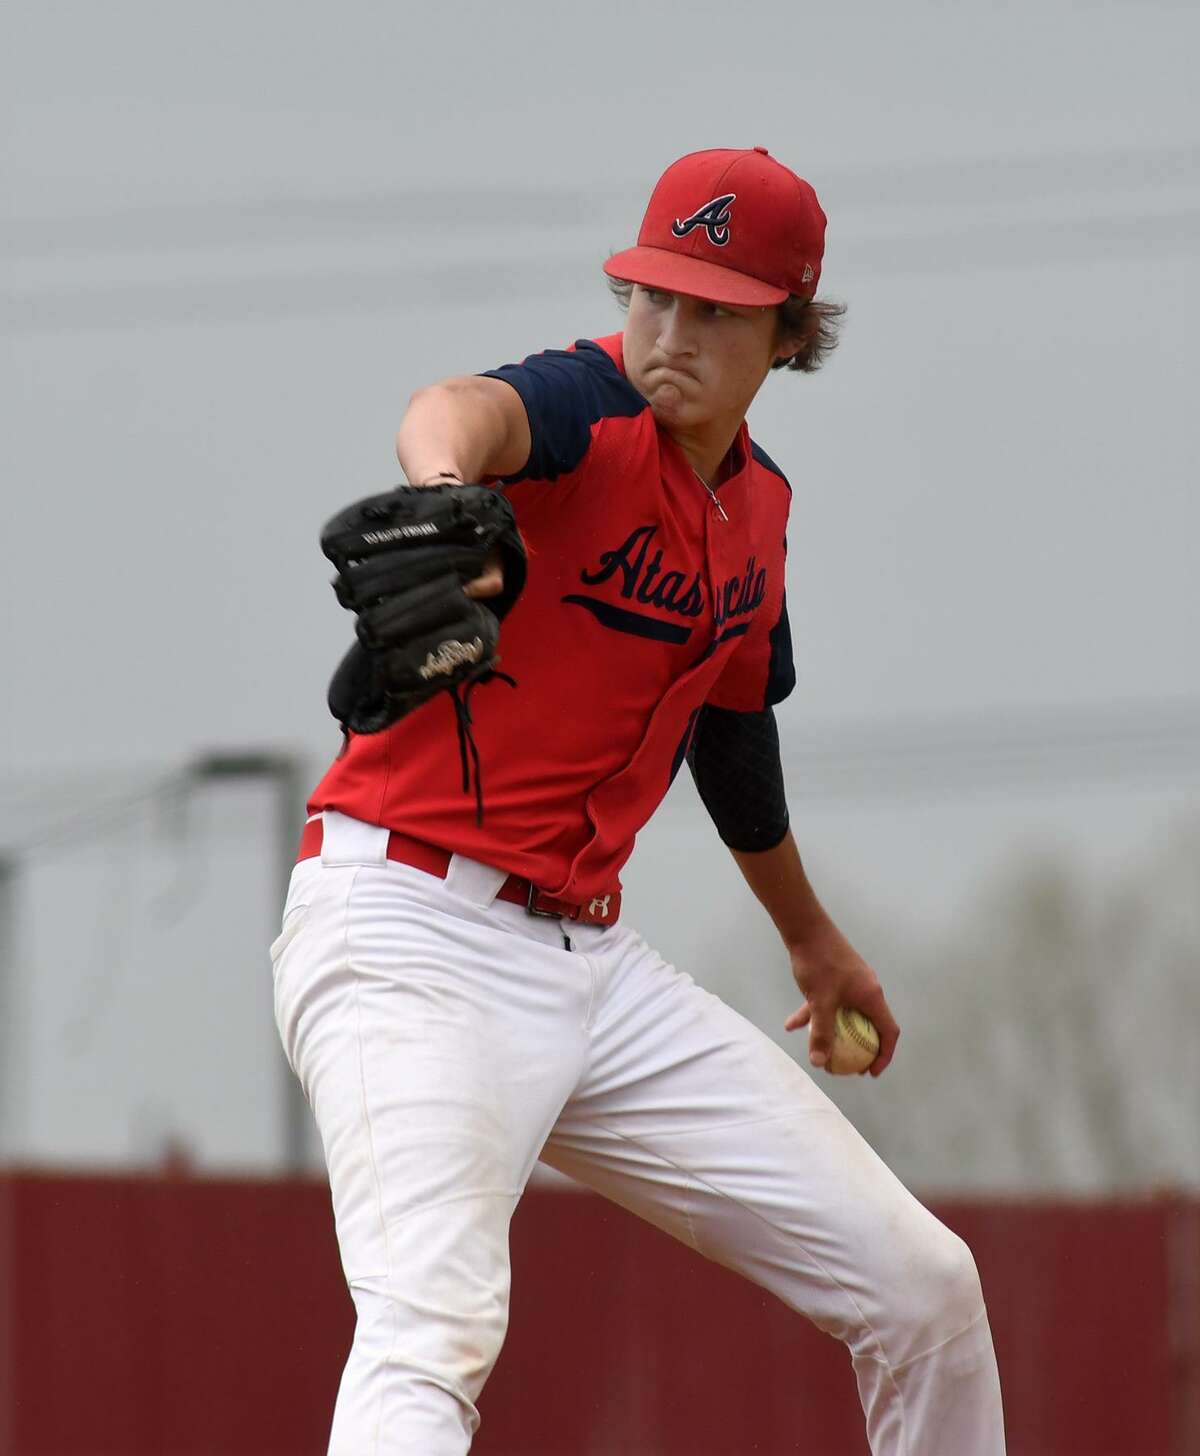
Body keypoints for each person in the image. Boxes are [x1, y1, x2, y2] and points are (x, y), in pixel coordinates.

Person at [270, 146, 1006, 1454]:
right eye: (652, 293)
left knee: (926, 1292)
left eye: (713, 308)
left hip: (592, 966)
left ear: (787, 330)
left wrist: (809, 935)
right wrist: (444, 495)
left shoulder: (758, 509)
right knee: (430, 1331)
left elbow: (735, 731)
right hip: (406, 932)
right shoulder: (587, 408)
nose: (668, 332)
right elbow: (457, 409)